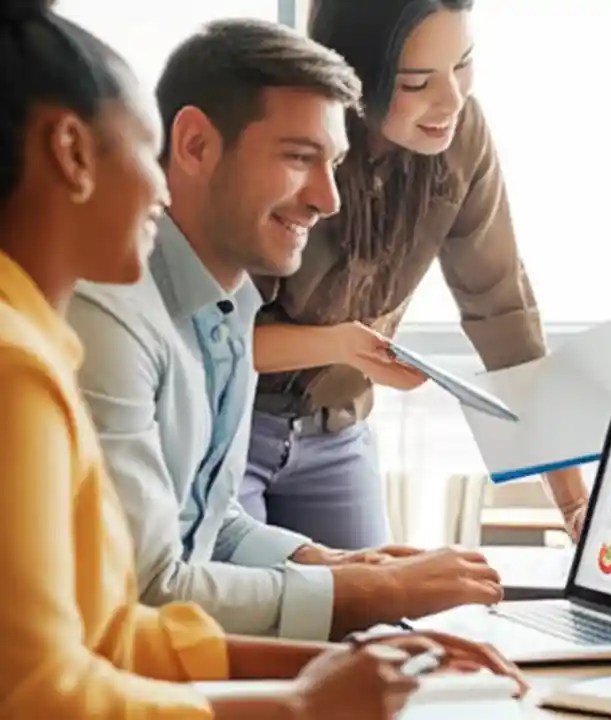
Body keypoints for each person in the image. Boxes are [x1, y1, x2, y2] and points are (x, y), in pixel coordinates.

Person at [0, 2, 524, 716]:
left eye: (332, 162)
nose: (328, 200)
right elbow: (44, 691)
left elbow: (118, 626)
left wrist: (346, 627)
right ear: (72, 152)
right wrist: (306, 694)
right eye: (142, 148)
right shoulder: (21, 363)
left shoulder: (208, 314)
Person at [243, 0, 591, 550]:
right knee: (252, 612)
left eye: (463, 63)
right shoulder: (288, 138)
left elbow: (504, 316)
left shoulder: (462, 138)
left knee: (379, 624)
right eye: (415, 82)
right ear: (349, 77)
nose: (451, 99)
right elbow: (213, 340)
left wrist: (575, 505)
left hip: (338, 430)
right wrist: (339, 344)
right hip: (231, 425)